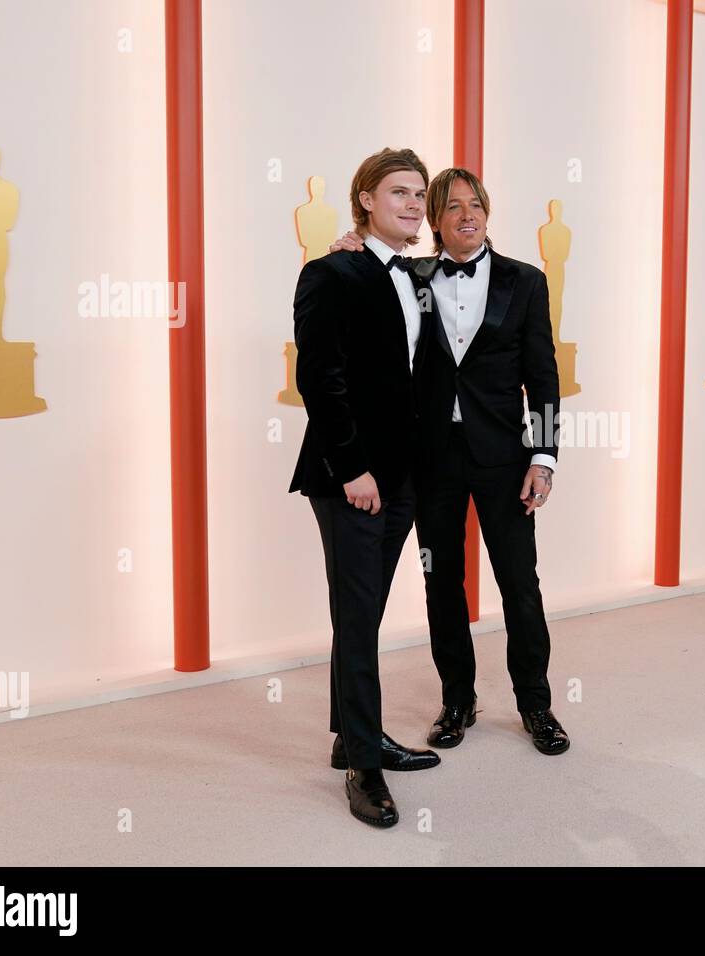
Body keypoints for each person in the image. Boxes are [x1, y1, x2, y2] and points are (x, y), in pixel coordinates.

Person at [332, 168, 569, 754]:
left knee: (521, 583)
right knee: (443, 584)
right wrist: (347, 244)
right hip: (429, 461)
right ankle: (456, 700)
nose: (469, 215)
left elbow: (542, 377)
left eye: (477, 204)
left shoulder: (527, 281)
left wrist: (543, 455)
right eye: (454, 206)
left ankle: (536, 705)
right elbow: (366, 276)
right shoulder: (413, 276)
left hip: (504, 461)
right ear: (434, 221)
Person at [290, 147, 440, 829]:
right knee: (356, 614)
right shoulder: (331, 272)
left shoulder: (422, 277)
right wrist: (354, 470)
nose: (414, 204)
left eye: (420, 195)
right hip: (351, 476)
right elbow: (321, 380)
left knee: (366, 612)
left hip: (404, 475)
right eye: (400, 193)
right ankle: (363, 767)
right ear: (367, 201)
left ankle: (350, 735)